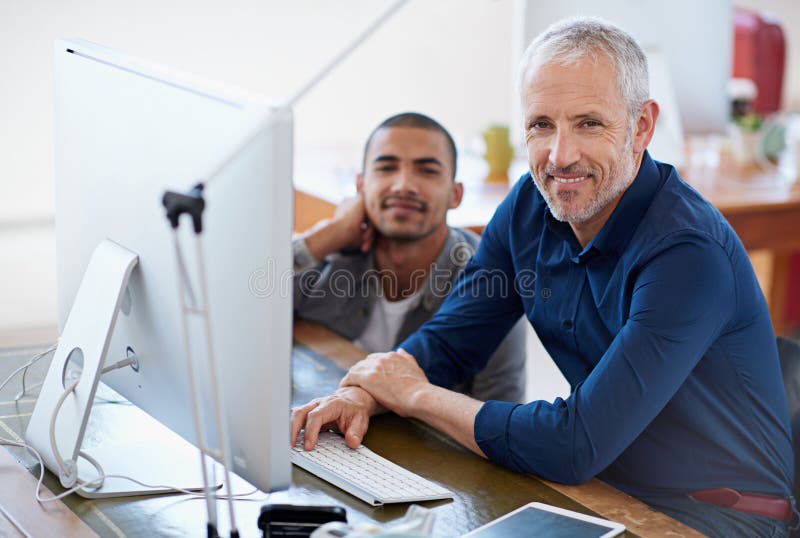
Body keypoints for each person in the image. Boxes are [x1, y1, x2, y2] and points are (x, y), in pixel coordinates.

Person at [291, 18, 796, 537]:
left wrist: (414, 395)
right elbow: (452, 342)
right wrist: (364, 394)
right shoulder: (530, 206)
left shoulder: (689, 253)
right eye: (541, 125)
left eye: (589, 124)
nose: (560, 156)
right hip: (605, 490)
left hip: (722, 518)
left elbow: (573, 445)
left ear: (642, 126)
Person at [293, 112, 527, 403]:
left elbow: (499, 414)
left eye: (427, 171)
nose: (403, 185)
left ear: (455, 195)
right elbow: (240, 303)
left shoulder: (489, 283)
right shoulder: (332, 253)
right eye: (387, 168)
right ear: (360, 186)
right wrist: (330, 233)